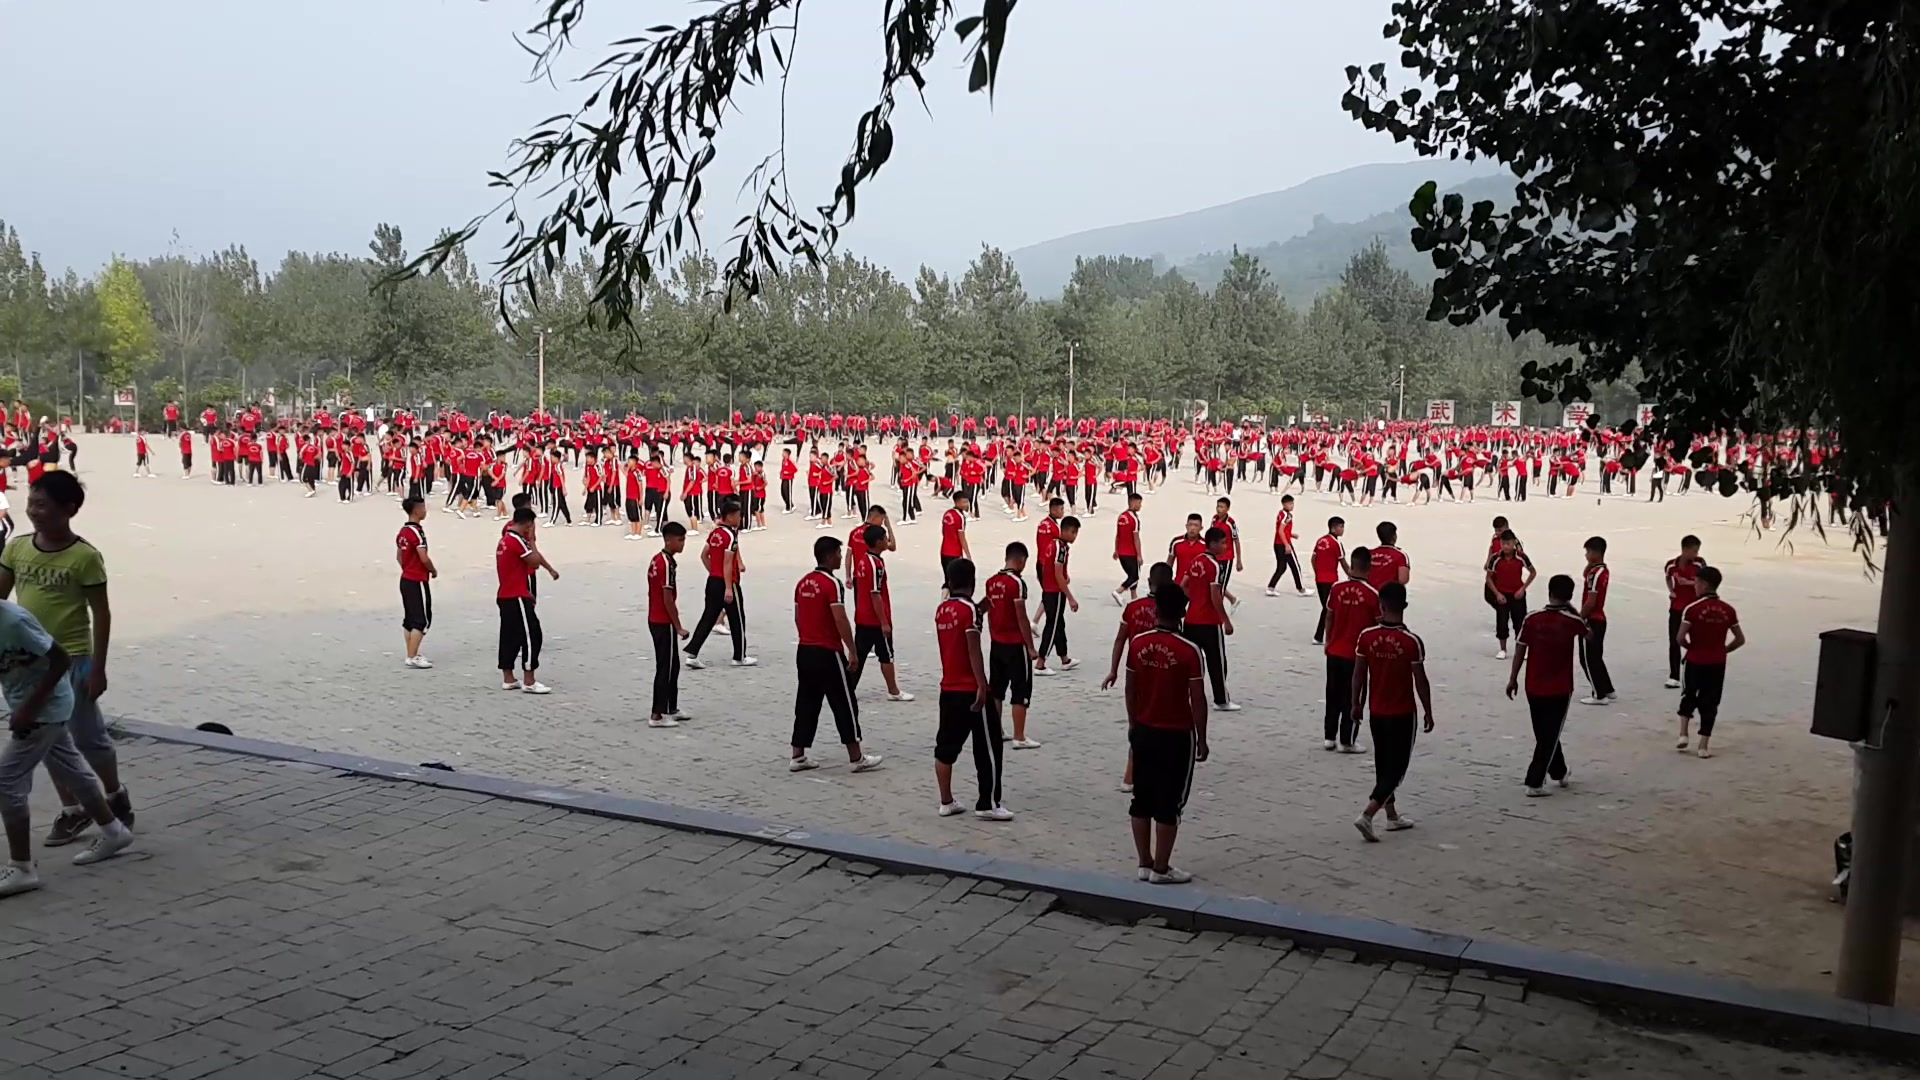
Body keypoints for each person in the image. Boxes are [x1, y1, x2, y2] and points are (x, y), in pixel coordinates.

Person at [0, 471, 131, 847]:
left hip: (75, 658)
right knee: (52, 741)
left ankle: (113, 794)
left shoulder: (84, 556)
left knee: (89, 736)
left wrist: (98, 669)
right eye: (31, 504)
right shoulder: (17, 549)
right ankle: (73, 810)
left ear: (68, 510)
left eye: (42, 505)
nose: (33, 512)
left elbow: (101, 614)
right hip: (32, 662)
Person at [0, 599, 134, 896]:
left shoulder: (13, 621)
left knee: (6, 781)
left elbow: (61, 659)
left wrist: (29, 709)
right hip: (35, 706)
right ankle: (114, 831)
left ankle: (21, 868)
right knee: (71, 770)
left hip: (45, 710)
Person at [1125, 583, 1208, 885]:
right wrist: (1202, 737)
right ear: (1183, 612)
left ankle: (1144, 862)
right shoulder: (1190, 651)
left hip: (1144, 729)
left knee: (1141, 797)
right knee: (1170, 801)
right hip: (1176, 734)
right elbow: (1197, 699)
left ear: (1156, 609)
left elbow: (1130, 689)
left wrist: (1133, 724)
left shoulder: (1138, 644)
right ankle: (1162, 867)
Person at [789, 536, 883, 774]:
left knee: (806, 702)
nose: (842, 558)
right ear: (830, 556)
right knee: (844, 702)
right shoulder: (832, 583)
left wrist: (806, 636)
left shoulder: (802, 583)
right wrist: (852, 649)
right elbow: (840, 618)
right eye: (839, 554)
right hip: (828, 651)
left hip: (805, 649)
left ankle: (798, 754)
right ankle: (856, 756)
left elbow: (798, 617)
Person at [1351, 583, 1432, 841]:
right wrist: (1428, 710)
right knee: (1396, 770)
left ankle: (1392, 815)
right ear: (1405, 606)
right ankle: (1368, 813)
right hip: (1402, 713)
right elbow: (1420, 680)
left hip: (1376, 710)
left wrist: (1355, 703)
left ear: (1381, 606)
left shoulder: (1367, 637)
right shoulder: (1411, 642)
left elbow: (1359, 674)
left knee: (1383, 763)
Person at [933, 558, 1011, 820]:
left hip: (948, 687)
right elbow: (972, 646)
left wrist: (981, 610)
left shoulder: (943, 609)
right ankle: (987, 803)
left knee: (946, 746)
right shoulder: (970, 612)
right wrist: (981, 684)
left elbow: (960, 626)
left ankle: (946, 800)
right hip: (971, 687)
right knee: (989, 745)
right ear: (973, 581)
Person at [1505, 574, 1586, 795]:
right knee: (1550, 734)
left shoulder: (1532, 619)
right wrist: (1573, 609)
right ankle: (1534, 781)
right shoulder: (1572, 622)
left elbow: (1520, 648)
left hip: (1533, 684)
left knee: (1544, 732)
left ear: (1549, 592)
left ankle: (1559, 772)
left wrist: (1513, 678)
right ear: (1570, 595)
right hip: (1560, 687)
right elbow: (1590, 636)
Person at [1102, 561, 1173, 794]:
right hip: (1162, 673)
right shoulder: (1170, 611)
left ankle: (1130, 775)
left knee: (1137, 724)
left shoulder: (1133, 608)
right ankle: (1157, 771)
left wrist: (1113, 669)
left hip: (1135, 672)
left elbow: (1120, 639)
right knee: (1162, 723)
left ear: (1149, 582)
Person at [1676, 565, 1743, 758]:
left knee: (1689, 694)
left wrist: (1690, 647)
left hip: (1695, 659)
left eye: (1696, 583)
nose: (1694, 586)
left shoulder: (1692, 609)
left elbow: (1680, 637)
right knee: (1711, 701)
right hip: (1717, 662)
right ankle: (1703, 745)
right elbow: (1740, 639)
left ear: (1704, 584)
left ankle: (1683, 734)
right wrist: (1724, 650)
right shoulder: (1728, 610)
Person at [684, 497, 754, 669]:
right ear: (730, 516)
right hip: (727, 582)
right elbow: (728, 562)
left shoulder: (715, 533)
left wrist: (714, 573)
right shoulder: (730, 535)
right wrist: (729, 587)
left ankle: (692, 653)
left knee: (708, 618)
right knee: (737, 618)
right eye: (738, 515)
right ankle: (740, 656)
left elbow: (704, 556)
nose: (740, 518)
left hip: (713, 581)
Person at [982, 542, 1040, 749]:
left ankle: (996, 730)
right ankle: (1019, 736)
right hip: (1015, 645)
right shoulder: (1017, 583)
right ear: (1022, 560)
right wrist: (1031, 647)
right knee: (1020, 690)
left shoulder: (991, 582)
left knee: (997, 690)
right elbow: (1021, 616)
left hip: (996, 644)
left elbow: (985, 606)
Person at [1323, 547, 1379, 753]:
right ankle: (1347, 740)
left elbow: (1329, 615)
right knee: (1354, 697)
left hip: (1335, 651)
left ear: (1352, 565)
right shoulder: (1373, 595)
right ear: (1369, 567)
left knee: (1333, 694)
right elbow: (1377, 626)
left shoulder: (1336, 588)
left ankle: (1329, 737)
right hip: (1357, 656)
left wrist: (1328, 641)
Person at [496, 507, 558, 694]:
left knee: (509, 636)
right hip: (516, 596)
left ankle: (508, 677)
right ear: (528, 524)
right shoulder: (517, 540)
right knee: (532, 635)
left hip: (506, 593)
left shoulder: (504, 540)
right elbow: (533, 562)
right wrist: (531, 539)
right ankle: (529, 679)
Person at [849, 523, 913, 702]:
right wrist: (884, 621)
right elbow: (875, 594)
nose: (888, 541)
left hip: (862, 617)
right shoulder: (875, 565)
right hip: (875, 620)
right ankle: (893, 691)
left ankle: (847, 688)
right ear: (878, 542)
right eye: (885, 538)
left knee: (859, 656)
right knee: (886, 654)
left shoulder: (863, 560)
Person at [1180, 526, 1239, 712]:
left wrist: (1195, 599)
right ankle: (1221, 699)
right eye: (1222, 543)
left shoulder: (1195, 561)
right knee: (1217, 662)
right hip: (1209, 622)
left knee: (1191, 661)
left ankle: (1185, 696)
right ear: (1212, 544)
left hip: (1191, 619)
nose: (1225, 546)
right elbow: (1215, 595)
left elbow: (1183, 585)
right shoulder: (1214, 565)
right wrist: (1226, 620)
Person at [647, 522, 693, 728]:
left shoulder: (660, 560)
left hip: (657, 617)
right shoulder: (665, 564)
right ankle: (657, 713)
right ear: (668, 540)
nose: (683, 544)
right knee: (665, 667)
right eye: (680, 540)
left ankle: (671, 706)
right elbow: (667, 598)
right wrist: (678, 626)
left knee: (673, 665)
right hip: (662, 620)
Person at [1033, 515, 1080, 676]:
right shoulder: (1060, 548)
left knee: (1059, 624)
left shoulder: (1052, 544)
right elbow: (1058, 574)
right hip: (1055, 592)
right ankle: (1040, 663)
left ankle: (1064, 658)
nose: (1074, 536)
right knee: (1052, 626)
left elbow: (1047, 568)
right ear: (1065, 531)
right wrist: (1071, 597)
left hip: (1048, 589)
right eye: (1073, 532)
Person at [396, 497, 437, 669]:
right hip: (417, 579)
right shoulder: (417, 533)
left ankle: (411, 652)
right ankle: (412, 656)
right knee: (423, 619)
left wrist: (407, 567)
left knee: (410, 619)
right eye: (423, 508)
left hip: (405, 578)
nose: (425, 511)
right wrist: (432, 570)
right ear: (416, 510)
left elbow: (399, 556)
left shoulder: (403, 531)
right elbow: (423, 556)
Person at [1485, 529, 1535, 660]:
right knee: (1501, 623)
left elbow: (1532, 572)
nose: (1505, 546)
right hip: (1502, 595)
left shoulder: (1521, 557)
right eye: (1503, 543)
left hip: (1517, 594)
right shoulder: (1495, 558)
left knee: (1520, 623)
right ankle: (1503, 649)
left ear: (1514, 543)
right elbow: (1489, 578)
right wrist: (1496, 594)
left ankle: (1521, 650)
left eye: (1508, 543)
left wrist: (1523, 588)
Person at [1663, 535, 1706, 689]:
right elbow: (1668, 578)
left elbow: (1705, 581)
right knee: (1674, 639)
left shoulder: (1699, 564)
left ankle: (1699, 671)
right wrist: (1671, 590)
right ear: (1685, 549)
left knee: (1697, 639)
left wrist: (1687, 582)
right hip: (1677, 607)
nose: (1696, 554)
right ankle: (1674, 675)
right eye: (1694, 551)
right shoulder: (1670, 565)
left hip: (1694, 607)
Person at [1579, 536, 1617, 705]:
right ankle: (1608, 689)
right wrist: (1591, 562)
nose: (1586, 555)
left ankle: (1598, 694)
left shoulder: (1595, 575)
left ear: (1595, 553)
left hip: (1592, 619)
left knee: (1587, 658)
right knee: (1597, 656)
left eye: (1588, 552)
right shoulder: (1602, 570)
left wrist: (1580, 618)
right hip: (1600, 619)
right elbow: (1584, 573)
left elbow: (1591, 601)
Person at [1310, 517, 1346, 645]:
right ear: (1334, 528)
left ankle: (1324, 635)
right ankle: (1320, 636)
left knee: (1327, 607)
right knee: (1329, 608)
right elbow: (1343, 562)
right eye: (1341, 527)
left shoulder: (1320, 541)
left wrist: (1317, 572)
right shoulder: (1336, 544)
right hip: (1330, 580)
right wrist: (1352, 576)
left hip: (1320, 579)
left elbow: (1313, 558)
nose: (1342, 530)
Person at [1266, 494, 1305, 596]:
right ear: (1284, 504)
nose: (1292, 506)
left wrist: (1291, 535)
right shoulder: (1287, 516)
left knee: (1281, 567)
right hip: (1283, 544)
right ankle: (1301, 589)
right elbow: (1281, 531)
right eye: (1290, 504)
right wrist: (1287, 544)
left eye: (1292, 503)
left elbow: (1282, 530)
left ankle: (1271, 588)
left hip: (1277, 544)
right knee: (1295, 566)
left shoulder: (1281, 514)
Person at [1110, 491, 1142, 606]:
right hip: (1131, 552)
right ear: (1132, 503)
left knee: (1131, 575)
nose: (1140, 506)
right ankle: (1118, 591)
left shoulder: (1121, 516)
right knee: (1135, 576)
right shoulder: (1134, 519)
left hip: (1122, 553)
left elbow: (1118, 535)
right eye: (1138, 503)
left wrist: (1116, 550)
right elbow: (1136, 538)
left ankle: (1134, 597)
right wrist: (1139, 555)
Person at [939, 491, 971, 591]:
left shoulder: (947, 514)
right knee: (956, 581)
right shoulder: (960, 517)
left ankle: (943, 601)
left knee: (947, 579)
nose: (966, 505)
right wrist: (968, 555)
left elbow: (943, 531)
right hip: (954, 552)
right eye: (964, 502)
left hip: (944, 551)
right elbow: (961, 537)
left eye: (967, 502)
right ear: (957, 503)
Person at [1367, 521, 1410, 590]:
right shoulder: (1400, 555)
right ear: (1394, 536)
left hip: (1370, 594)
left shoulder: (1369, 554)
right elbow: (1403, 579)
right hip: (1390, 596)